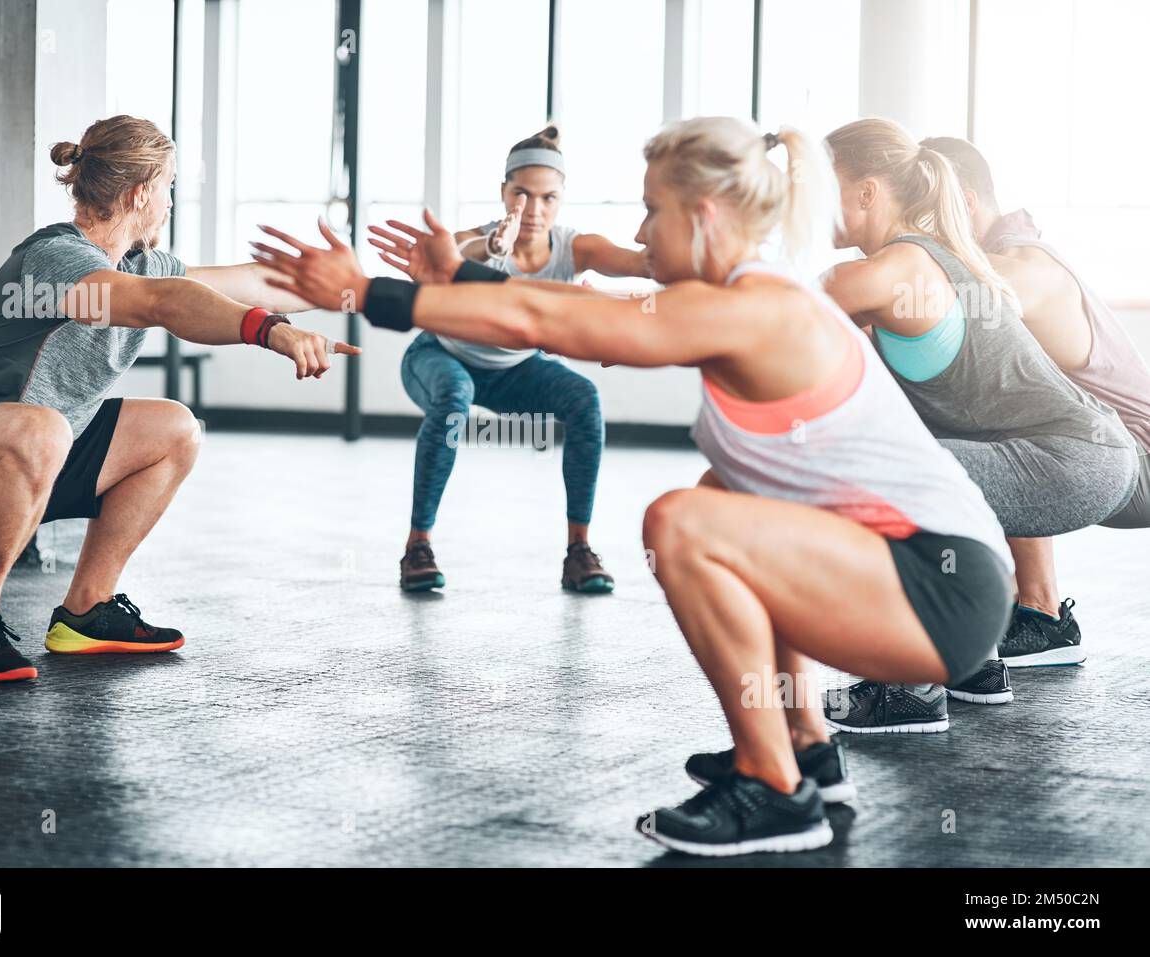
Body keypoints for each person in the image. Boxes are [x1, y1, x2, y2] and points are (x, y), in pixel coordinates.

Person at [250, 116, 1014, 857]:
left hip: (941, 588)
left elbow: (554, 322)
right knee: (730, 492)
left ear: (705, 216)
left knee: (685, 523)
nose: (643, 235)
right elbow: (582, 304)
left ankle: (773, 787)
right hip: (928, 580)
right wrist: (463, 275)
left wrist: (369, 293)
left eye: (653, 211)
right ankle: (804, 747)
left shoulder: (756, 307)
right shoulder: (746, 293)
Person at [0, 114, 357, 682]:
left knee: (173, 429)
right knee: (44, 427)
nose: (172, 202)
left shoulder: (140, 265)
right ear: (141, 192)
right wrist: (273, 331)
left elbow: (246, 284)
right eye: (171, 186)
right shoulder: (55, 258)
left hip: (34, 456)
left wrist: (360, 287)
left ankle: (86, 613)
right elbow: (163, 303)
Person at [821, 118, 1137, 723]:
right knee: (917, 465)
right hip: (1083, 457)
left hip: (1078, 460)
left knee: (875, 477)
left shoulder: (898, 267)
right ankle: (972, 659)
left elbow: (772, 311)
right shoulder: (913, 264)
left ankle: (908, 688)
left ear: (866, 192)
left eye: (817, 190)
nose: (805, 210)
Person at [365, 126, 651, 593]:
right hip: (441, 357)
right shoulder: (479, 239)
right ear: (503, 192)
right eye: (522, 194)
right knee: (455, 399)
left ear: (561, 200)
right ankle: (418, 547)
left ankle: (578, 551)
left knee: (584, 399)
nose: (534, 210)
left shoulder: (576, 247)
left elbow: (643, 263)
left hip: (512, 373)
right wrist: (493, 248)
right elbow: (458, 253)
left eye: (548, 198)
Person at [921, 134, 1150, 667]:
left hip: (1138, 464)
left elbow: (929, 306)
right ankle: (1029, 609)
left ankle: (1041, 613)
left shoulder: (1020, 270)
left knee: (986, 416)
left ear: (964, 204)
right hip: (1108, 451)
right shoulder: (1002, 256)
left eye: (925, 214)